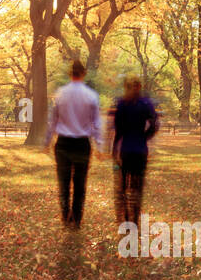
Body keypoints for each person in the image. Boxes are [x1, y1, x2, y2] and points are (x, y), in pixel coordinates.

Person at [43, 60, 103, 230]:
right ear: (83, 74)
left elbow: (52, 121)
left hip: (63, 144)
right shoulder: (91, 95)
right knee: (79, 183)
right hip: (82, 144)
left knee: (63, 183)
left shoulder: (60, 94)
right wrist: (99, 145)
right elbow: (96, 123)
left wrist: (47, 141)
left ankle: (65, 216)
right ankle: (76, 219)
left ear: (71, 73)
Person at [112, 76, 159, 227]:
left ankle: (126, 217)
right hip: (140, 150)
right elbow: (154, 124)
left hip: (125, 150)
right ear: (139, 86)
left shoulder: (122, 103)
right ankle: (135, 220)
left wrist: (114, 150)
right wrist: (145, 136)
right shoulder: (146, 103)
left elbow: (118, 130)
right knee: (137, 187)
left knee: (124, 186)